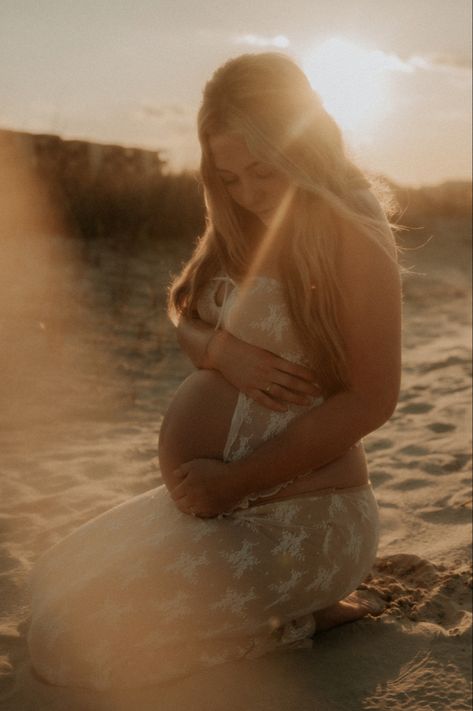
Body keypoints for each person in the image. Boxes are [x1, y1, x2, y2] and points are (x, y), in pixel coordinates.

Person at [27, 52, 402, 690]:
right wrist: (221, 352)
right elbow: (184, 310)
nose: (248, 193)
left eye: (263, 170)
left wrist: (236, 483)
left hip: (303, 507)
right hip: (222, 503)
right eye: (229, 176)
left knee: (69, 649)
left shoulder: (350, 230)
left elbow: (372, 400)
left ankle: (304, 617)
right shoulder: (242, 221)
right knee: (53, 582)